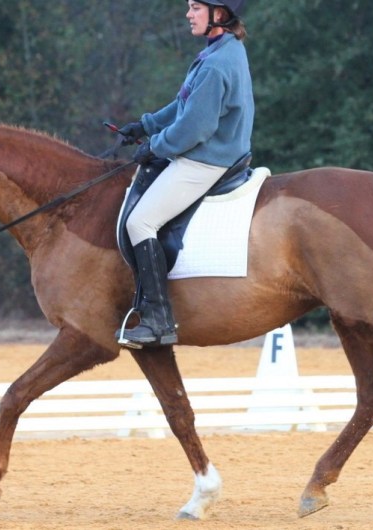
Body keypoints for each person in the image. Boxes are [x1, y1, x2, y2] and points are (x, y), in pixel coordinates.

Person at [115, 0, 253, 349]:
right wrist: (145, 126)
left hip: (207, 159)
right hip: (213, 152)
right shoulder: (222, 50)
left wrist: (155, 145)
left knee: (140, 223)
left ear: (218, 15)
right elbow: (184, 105)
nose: (188, 14)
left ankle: (159, 319)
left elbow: (194, 127)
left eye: (195, 8)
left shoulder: (216, 64)